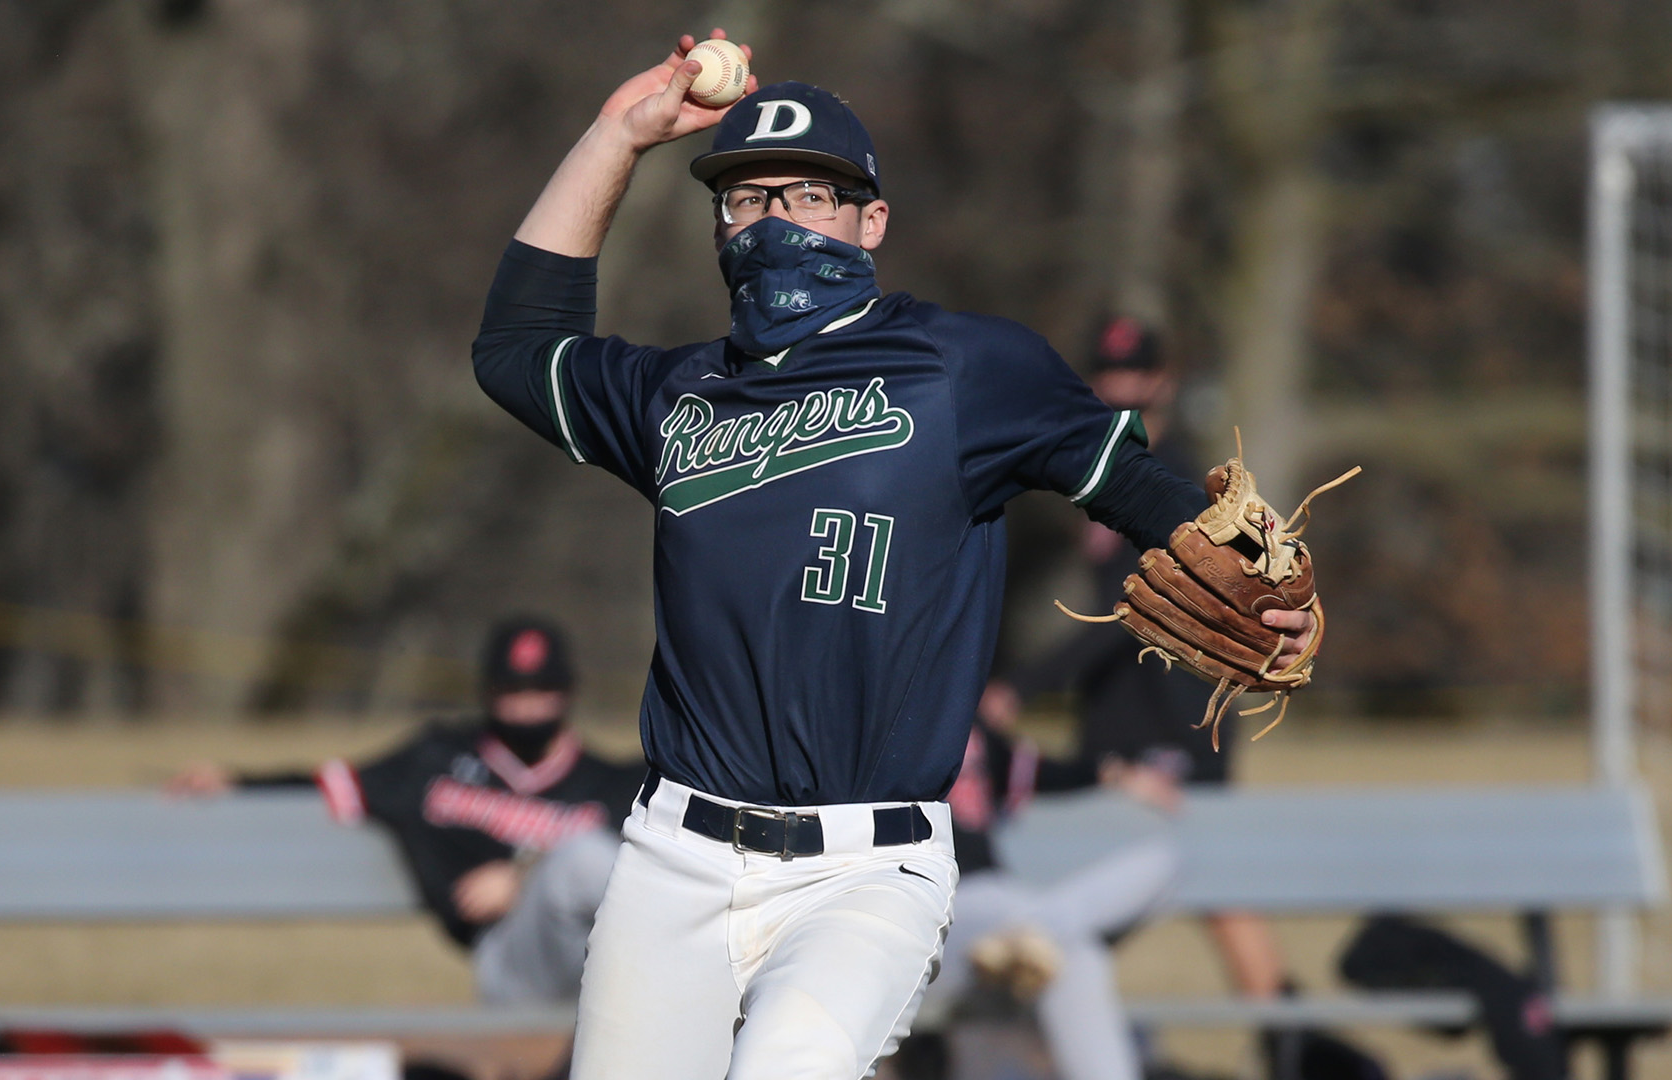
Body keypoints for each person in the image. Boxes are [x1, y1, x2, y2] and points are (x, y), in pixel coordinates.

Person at [468, 33, 1316, 1080]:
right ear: (718, 224)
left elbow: (1139, 488)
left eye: (810, 195)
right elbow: (514, 350)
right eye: (746, 196)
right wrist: (617, 135)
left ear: (872, 220)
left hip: (866, 871)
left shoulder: (968, 370)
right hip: (672, 858)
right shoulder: (675, 396)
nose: (775, 217)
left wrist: (1267, 590)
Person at [980, 316, 1289, 1002]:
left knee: (1215, 887)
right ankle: (1076, 1033)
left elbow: (1132, 611)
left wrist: (1021, 688)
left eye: (1135, 376)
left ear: (1164, 383)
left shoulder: (1172, 477)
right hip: (1115, 720)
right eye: (1108, 375)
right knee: (1097, 895)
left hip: (1177, 717)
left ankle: (1288, 1039)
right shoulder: (1101, 465)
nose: (1120, 388)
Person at [167, 616, 647, 1008]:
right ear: (487, 692)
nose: (525, 708)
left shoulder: (615, 782)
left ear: (567, 693)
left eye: (540, 691)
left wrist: (522, 874)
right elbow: (334, 785)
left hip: (606, 970)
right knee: (584, 857)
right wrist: (238, 781)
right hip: (510, 963)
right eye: (511, 691)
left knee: (607, 860)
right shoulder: (434, 762)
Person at [922, 711, 1182, 1080]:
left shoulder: (958, 711)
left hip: (996, 918)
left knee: (1164, 859)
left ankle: (1029, 934)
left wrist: (1118, 774)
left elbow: (1033, 769)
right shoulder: (870, 711)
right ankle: (1032, 932)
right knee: (1074, 953)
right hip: (934, 916)